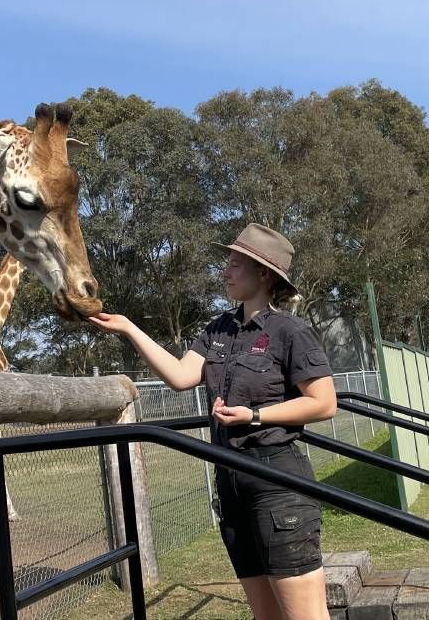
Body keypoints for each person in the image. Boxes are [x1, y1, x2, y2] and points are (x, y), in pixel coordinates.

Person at [90, 223, 337, 620]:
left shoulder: (290, 331)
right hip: (231, 483)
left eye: (235, 264)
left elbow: (323, 403)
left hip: (277, 483)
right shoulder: (218, 329)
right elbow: (180, 376)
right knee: (266, 616)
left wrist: (255, 415)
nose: (225, 271)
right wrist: (128, 328)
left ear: (264, 274)